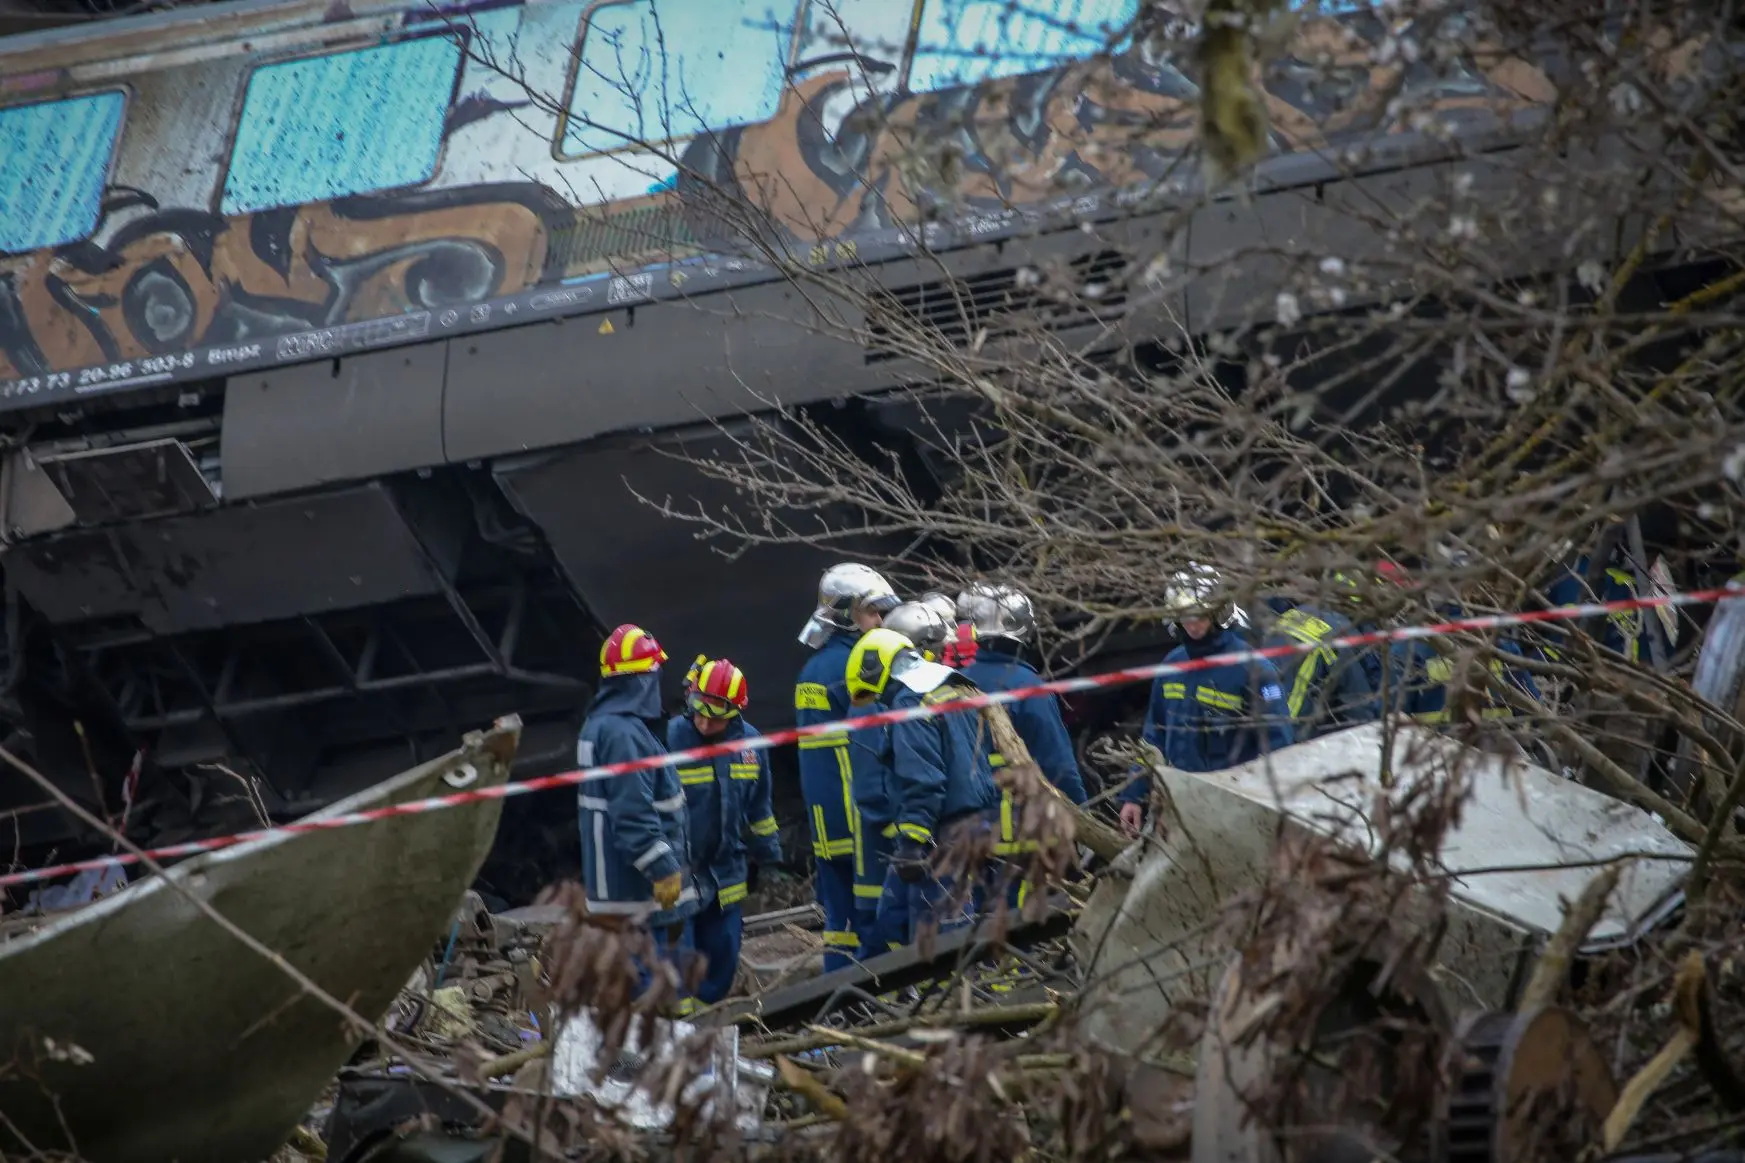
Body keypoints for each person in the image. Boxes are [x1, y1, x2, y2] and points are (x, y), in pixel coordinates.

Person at [845, 627, 1002, 942]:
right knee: (896, 916)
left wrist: (912, 842)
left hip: (943, 832)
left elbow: (923, 780)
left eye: (875, 693)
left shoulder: (910, 703)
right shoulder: (952, 683)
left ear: (877, 670)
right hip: (981, 821)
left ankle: (946, 976)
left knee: (941, 935)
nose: (880, 701)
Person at [1118, 567, 1295, 835]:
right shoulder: (1172, 667)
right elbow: (1153, 738)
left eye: (1199, 615)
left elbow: (1279, 747)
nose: (1192, 624)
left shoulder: (1254, 670)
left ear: (1218, 612)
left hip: (1234, 809)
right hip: (1179, 806)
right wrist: (1133, 795)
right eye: (1185, 616)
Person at [577, 623, 697, 1003]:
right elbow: (632, 815)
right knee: (646, 990)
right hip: (632, 893)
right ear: (642, 680)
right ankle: (649, 1045)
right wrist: (663, 869)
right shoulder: (623, 734)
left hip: (619, 892)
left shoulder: (601, 725)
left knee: (637, 987)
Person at [795, 563, 900, 970]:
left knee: (840, 926)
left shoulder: (812, 670)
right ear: (846, 614)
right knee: (876, 921)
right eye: (872, 612)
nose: (881, 622)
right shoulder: (859, 666)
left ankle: (837, 1004)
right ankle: (880, 1000)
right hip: (862, 822)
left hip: (827, 825)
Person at [667, 656, 783, 1007]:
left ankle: (709, 1022)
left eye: (714, 717)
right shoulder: (671, 738)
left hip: (726, 873)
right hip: (680, 875)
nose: (703, 722)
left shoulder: (750, 746)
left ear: (735, 712)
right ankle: (681, 1028)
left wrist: (769, 859)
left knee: (722, 959)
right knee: (679, 963)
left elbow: (759, 809)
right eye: (699, 712)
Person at [955, 583, 1090, 806]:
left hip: (962, 820)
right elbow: (1058, 764)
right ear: (1025, 631)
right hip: (1015, 817)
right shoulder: (1028, 687)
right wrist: (1081, 809)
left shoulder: (956, 681)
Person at [1256, 593, 1380, 740]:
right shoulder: (1346, 637)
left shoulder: (1298, 613)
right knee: (1286, 735)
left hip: (1263, 680)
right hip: (1295, 696)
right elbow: (1357, 704)